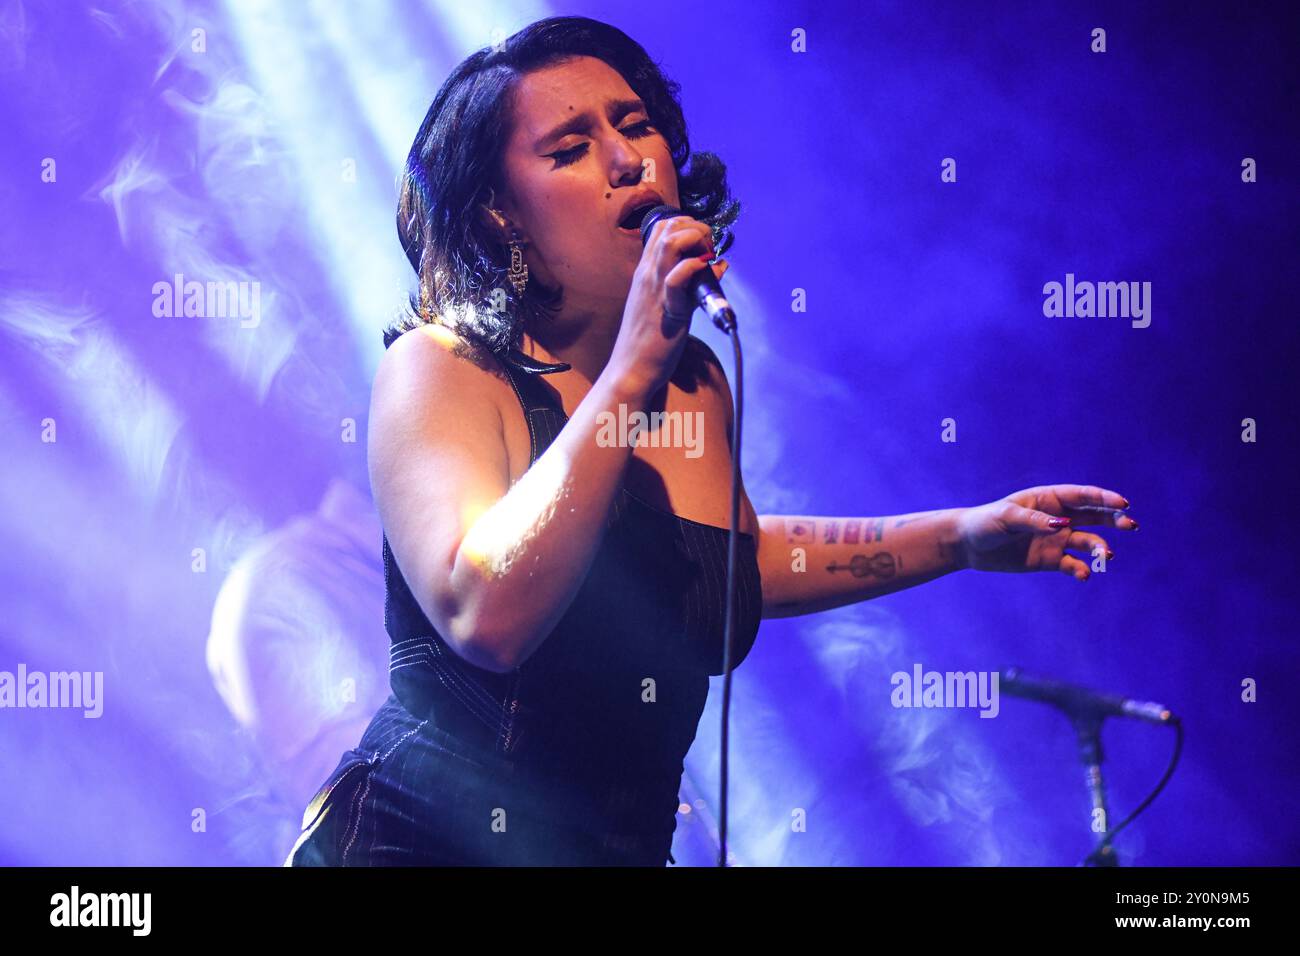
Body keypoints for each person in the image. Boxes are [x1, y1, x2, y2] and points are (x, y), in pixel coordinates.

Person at [286, 16, 1136, 867]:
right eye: (570, 147)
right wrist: (629, 374)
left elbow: (725, 562)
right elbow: (484, 613)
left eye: (635, 124)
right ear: (500, 215)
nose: (629, 160)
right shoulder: (445, 368)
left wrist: (958, 537)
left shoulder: (693, 378)